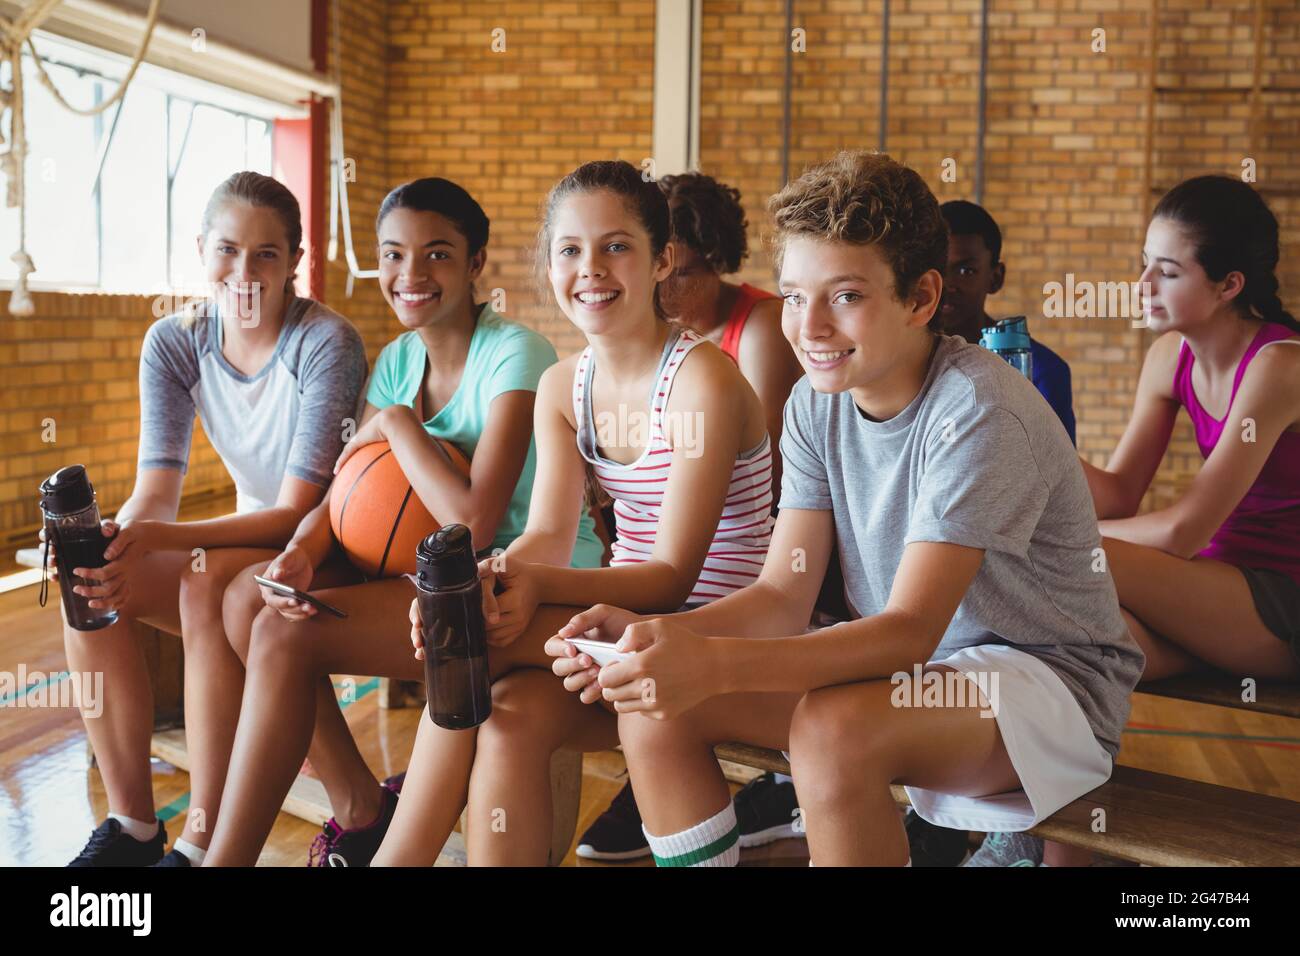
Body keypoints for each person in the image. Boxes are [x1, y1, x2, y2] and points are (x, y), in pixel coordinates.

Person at [545, 150, 1145, 867]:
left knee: (833, 732)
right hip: (914, 681)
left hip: (1047, 685)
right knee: (653, 702)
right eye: (796, 297)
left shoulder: (977, 410)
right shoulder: (813, 404)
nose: (812, 327)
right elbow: (779, 596)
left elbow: (908, 633)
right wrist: (659, 640)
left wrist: (710, 660)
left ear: (920, 299)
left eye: (847, 296)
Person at [369, 159, 774, 866]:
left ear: (662, 260)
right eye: (570, 250)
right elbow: (549, 536)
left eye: (616, 245)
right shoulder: (563, 385)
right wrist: (488, 579)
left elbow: (673, 576)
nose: (591, 268)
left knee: (462, 637)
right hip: (626, 630)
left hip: (720, 638)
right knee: (506, 722)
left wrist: (472, 606)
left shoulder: (702, 379)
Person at [200, 177, 602, 866]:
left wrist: (393, 420)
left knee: (285, 640)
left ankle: (227, 858)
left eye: (437, 254)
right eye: (392, 255)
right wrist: (299, 550)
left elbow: (474, 521)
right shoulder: (396, 361)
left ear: (476, 264)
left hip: (522, 586)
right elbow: (347, 490)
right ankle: (360, 809)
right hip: (432, 579)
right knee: (244, 598)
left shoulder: (518, 354)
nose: (410, 274)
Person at [55, 171, 367, 867]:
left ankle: (202, 839)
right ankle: (134, 825)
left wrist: (157, 538)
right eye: (228, 250)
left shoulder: (325, 343)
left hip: (327, 547)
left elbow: (294, 512)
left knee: (203, 584)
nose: (245, 272)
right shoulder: (175, 343)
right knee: (89, 582)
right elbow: (155, 493)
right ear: (201, 249)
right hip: (250, 544)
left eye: (266, 254)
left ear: (296, 261)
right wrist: (116, 545)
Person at [577, 171, 805, 861]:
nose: (667, 289)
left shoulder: (756, 328)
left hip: (755, 555)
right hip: (673, 550)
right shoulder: (610, 366)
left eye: (679, 270)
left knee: (647, 672)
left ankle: (707, 782)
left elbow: (769, 473)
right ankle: (662, 782)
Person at [934, 199, 1076, 444]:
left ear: (996, 277)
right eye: (938, 268)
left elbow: (1058, 473)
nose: (948, 284)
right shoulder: (901, 364)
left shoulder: (1041, 369)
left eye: (966, 271)